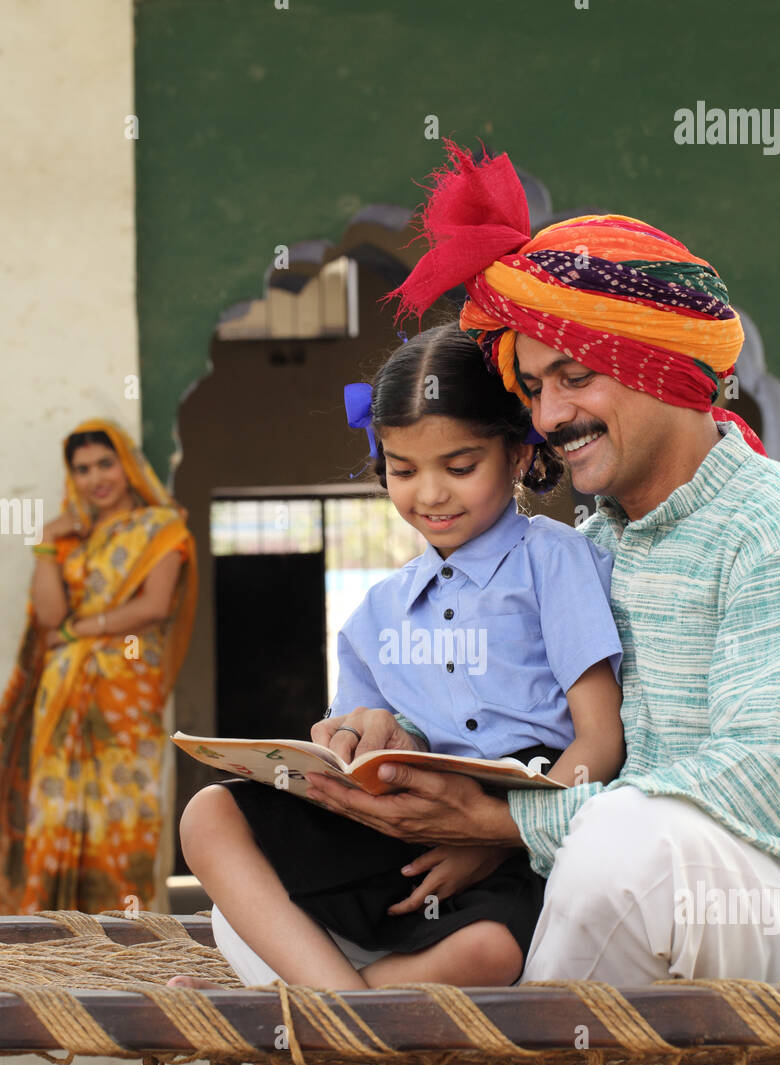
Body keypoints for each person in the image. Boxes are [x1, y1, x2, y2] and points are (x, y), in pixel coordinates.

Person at [300, 142, 780, 985]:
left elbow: (755, 787)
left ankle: (487, 1017)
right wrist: (394, 744)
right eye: (531, 388)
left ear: (661, 365)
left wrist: (499, 827)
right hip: (597, 881)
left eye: (573, 377)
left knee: (622, 832)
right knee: (274, 848)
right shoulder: (587, 544)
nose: (550, 415)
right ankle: (380, 990)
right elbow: (522, 727)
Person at [174, 323, 624, 990]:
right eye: (403, 470)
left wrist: (508, 831)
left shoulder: (555, 563)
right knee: (207, 816)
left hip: (513, 832)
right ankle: (349, 1001)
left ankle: (304, 997)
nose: (430, 494)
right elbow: (360, 735)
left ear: (521, 452)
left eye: (459, 467)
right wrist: (356, 738)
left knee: (489, 955)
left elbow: (601, 737)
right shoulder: (377, 612)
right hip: (396, 830)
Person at [0, 419, 197, 914]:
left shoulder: (163, 528)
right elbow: (49, 618)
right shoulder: (74, 538)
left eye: (105, 463)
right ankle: (46, 928)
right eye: (82, 469)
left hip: (125, 686)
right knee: (56, 806)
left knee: (121, 807)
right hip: (61, 690)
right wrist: (46, 541)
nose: (96, 478)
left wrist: (82, 630)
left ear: (127, 465)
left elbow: (153, 606)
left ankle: (123, 936)